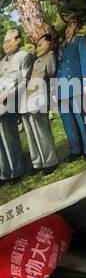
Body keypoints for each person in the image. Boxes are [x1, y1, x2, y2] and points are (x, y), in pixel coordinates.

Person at [55, 17, 86, 159]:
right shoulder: (61, 46)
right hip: (62, 88)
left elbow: (85, 60)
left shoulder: (80, 39)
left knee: (82, 118)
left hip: (76, 85)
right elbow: (58, 69)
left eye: (67, 27)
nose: (66, 31)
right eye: (64, 29)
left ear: (74, 25)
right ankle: (75, 150)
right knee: (68, 121)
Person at [21, 33, 58, 172]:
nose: (38, 48)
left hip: (40, 96)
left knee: (41, 130)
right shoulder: (36, 61)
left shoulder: (50, 56)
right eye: (37, 45)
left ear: (49, 44)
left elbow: (51, 72)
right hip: (29, 97)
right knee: (31, 132)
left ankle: (50, 161)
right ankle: (38, 162)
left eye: (41, 44)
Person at [0, 29, 32, 182]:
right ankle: (4, 173)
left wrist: (8, 94)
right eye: (4, 41)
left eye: (8, 41)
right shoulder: (1, 62)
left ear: (18, 40)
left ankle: (16, 171)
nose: (5, 45)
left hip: (9, 105)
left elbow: (24, 81)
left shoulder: (23, 56)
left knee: (10, 139)